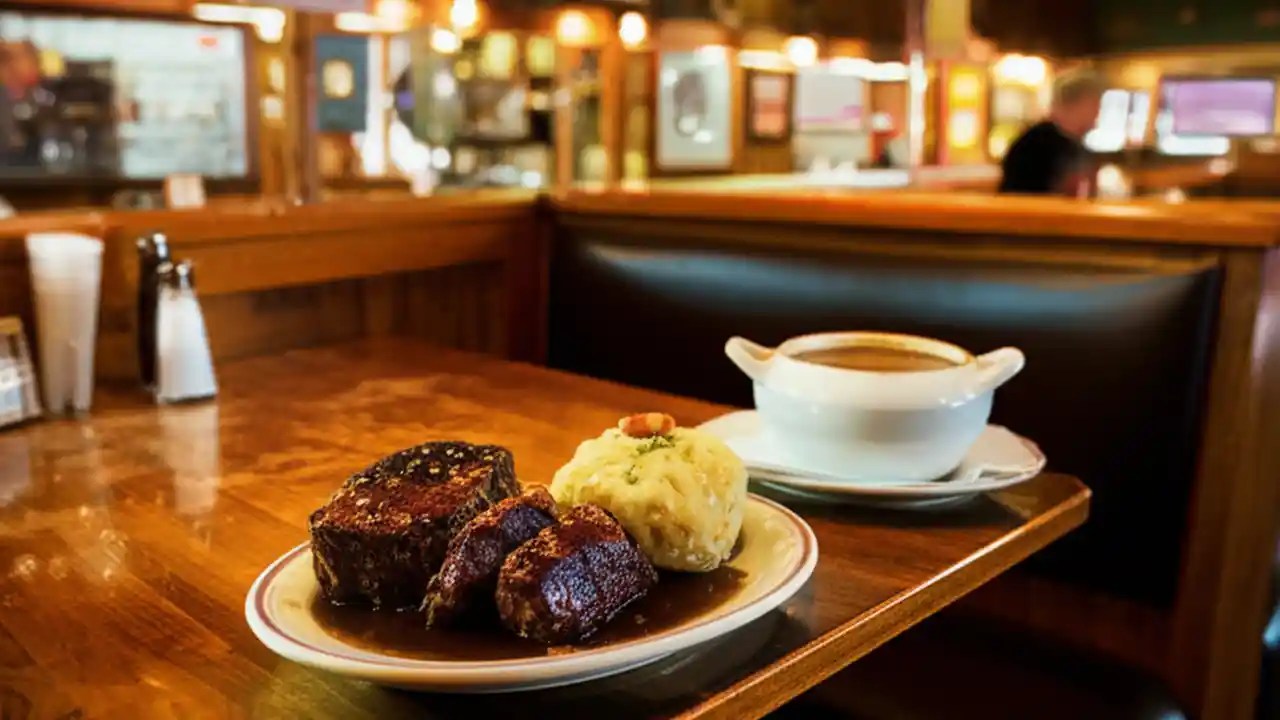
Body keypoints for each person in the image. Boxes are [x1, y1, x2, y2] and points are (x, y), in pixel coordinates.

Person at [998, 69, 1104, 196]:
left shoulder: (1077, 147)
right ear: (1080, 103)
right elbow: (1020, 201)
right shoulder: (1034, 146)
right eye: (1095, 105)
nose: (1098, 113)